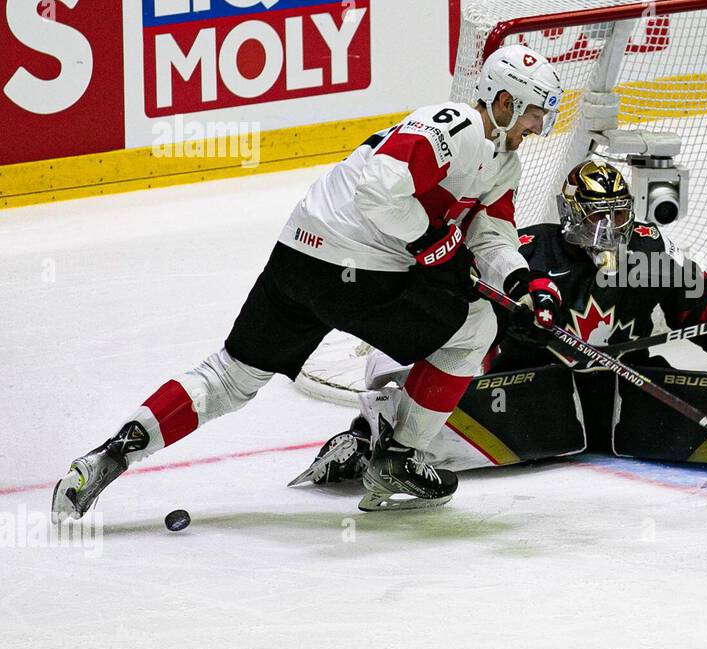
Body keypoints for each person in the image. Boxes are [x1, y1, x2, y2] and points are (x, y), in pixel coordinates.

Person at [54, 46, 564, 517]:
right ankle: (400, 456)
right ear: (505, 100)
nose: (539, 127)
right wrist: (428, 240)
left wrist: (526, 285)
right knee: (474, 327)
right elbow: (378, 189)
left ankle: (115, 451)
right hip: (356, 271)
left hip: (300, 257)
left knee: (232, 377)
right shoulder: (454, 125)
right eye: (537, 113)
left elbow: (491, 237)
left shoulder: (504, 163)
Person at [293, 160, 707, 486]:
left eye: (617, 216)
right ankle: (368, 443)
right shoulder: (530, 252)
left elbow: (701, 298)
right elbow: (463, 308)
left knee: (695, 401)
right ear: (570, 214)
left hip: (625, 389)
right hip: (535, 392)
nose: (608, 231)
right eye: (596, 218)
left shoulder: (640, 251)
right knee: (461, 420)